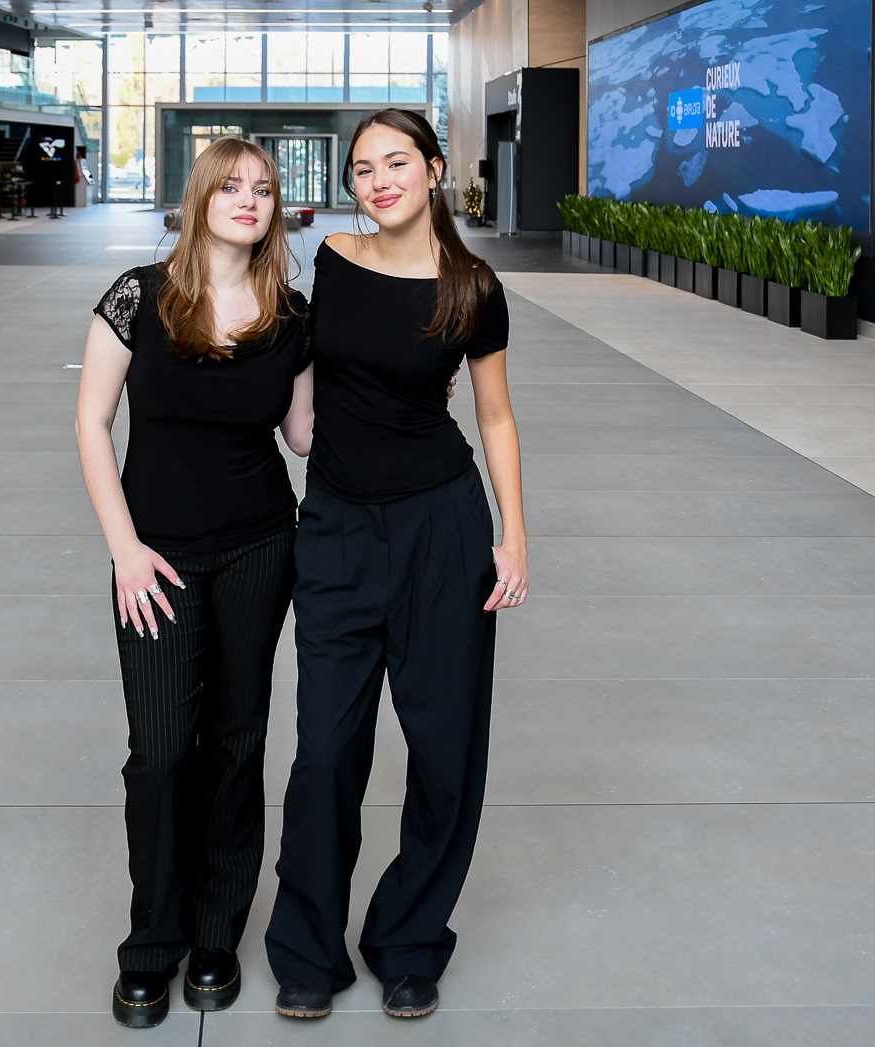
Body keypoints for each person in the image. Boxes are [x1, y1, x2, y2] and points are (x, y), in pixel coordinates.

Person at [265, 108, 528, 1021]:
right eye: (363, 168)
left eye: (395, 163)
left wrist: (515, 534)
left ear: (434, 168)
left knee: (447, 752)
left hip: (442, 529)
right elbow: (290, 356)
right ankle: (306, 946)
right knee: (326, 750)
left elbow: (494, 416)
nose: (378, 181)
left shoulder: (474, 287)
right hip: (335, 528)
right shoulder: (332, 259)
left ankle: (409, 939)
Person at [75, 137, 314, 1029]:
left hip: (259, 547)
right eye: (233, 186)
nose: (249, 200)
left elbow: (304, 435)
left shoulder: (291, 315)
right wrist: (125, 548)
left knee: (237, 741)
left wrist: (405, 385)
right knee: (161, 751)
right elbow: (92, 422)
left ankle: (216, 933)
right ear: (201, 197)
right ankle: (151, 942)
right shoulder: (139, 295)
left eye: (264, 189)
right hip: (156, 558)